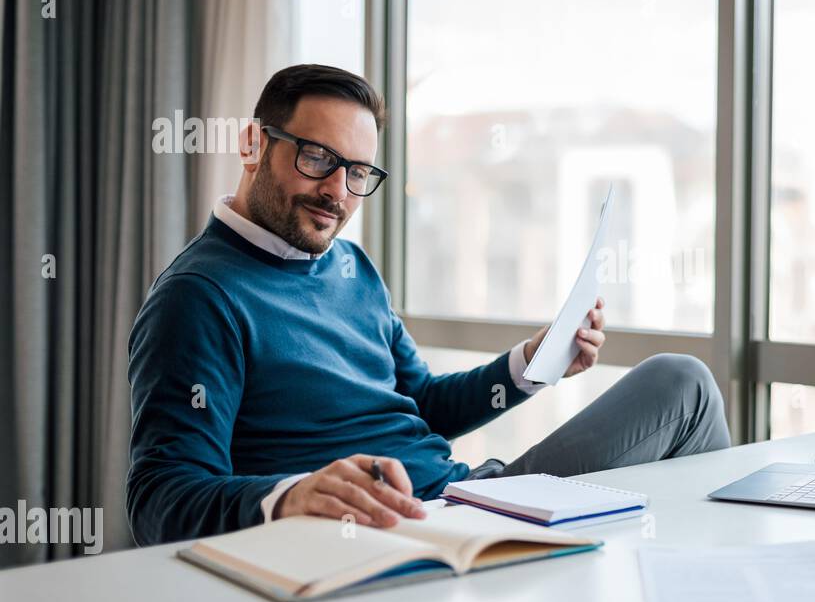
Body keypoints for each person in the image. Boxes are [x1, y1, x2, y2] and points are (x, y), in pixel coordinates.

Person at [126, 64, 730, 546]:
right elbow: (161, 497)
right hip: (402, 530)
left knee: (680, 385)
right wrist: (292, 495)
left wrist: (531, 362)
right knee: (687, 384)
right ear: (254, 145)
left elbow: (423, 404)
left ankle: (713, 590)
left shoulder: (352, 269)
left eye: (358, 171)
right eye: (317, 159)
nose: (337, 191)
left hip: (471, 499)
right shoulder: (198, 297)